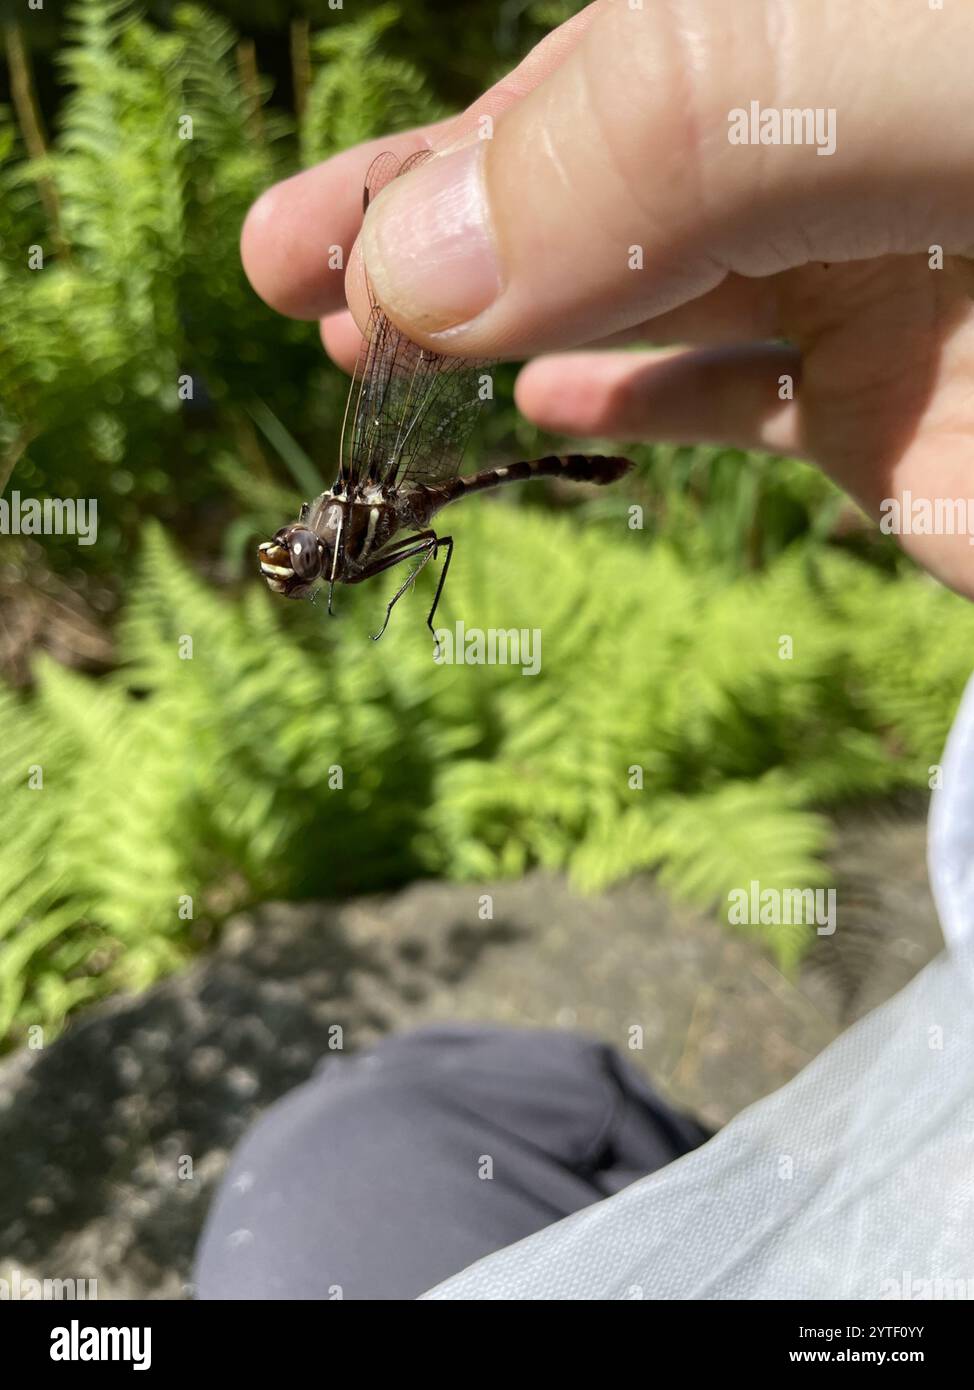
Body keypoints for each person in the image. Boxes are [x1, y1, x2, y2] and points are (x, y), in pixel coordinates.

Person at [196, 0, 974, 1299]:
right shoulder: (345, 520)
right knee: (345, 1148)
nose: (289, 564)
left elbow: (418, 533)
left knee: (333, 1179)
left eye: (291, 557)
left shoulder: (369, 498)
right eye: (289, 563)